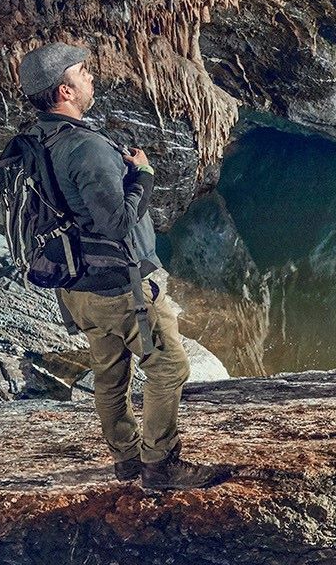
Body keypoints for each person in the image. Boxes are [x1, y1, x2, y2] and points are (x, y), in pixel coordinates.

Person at [14, 42, 228, 491]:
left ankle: (126, 459)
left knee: (109, 373)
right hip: (123, 288)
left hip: (76, 287)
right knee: (169, 368)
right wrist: (143, 177)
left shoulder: (32, 142)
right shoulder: (86, 149)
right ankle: (160, 466)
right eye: (83, 72)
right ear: (64, 91)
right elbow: (116, 222)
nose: (91, 77)